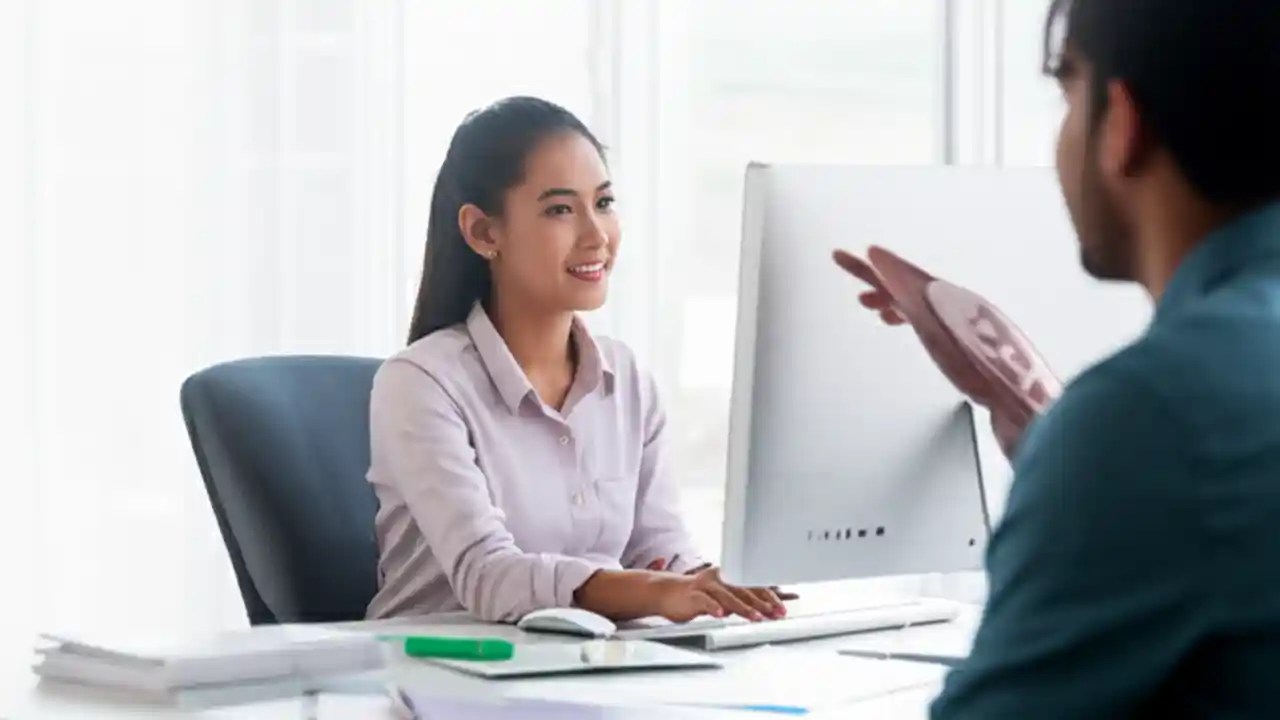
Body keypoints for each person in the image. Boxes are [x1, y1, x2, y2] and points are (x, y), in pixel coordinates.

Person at [838, 0, 1280, 716]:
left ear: (1122, 123)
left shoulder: (1154, 418)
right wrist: (1028, 412)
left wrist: (1086, 440)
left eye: (1068, 93)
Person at [366, 97, 786, 625]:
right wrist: (658, 592)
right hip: (440, 678)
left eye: (604, 203)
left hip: (584, 669)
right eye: (560, 209)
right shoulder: (421, 384)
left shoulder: (627, 379)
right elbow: (487, 576)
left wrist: (711, 585)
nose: (597, 236)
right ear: (482, 232)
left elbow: (656, 550)